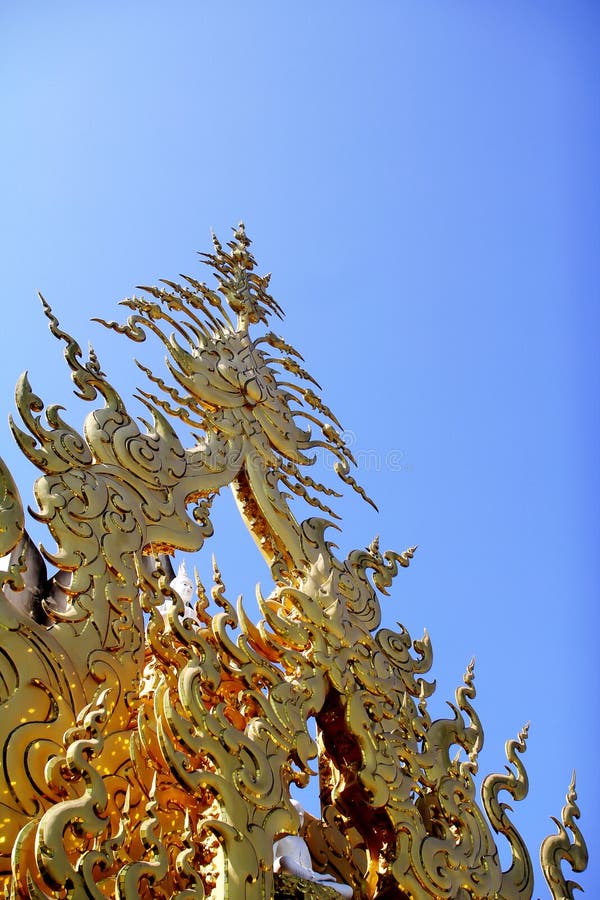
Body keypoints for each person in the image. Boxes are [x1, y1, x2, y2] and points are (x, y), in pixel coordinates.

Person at [273, 800, 353, 898]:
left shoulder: (301, 843)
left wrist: (313, 877)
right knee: (284, 860)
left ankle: (315, 881)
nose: (299, 819)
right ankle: (314, 879)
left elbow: (307, 868)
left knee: (348, 890)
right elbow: (272, 862)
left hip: (307, 880)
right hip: (285, 873)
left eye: (300, 816)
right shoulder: (277, 837)